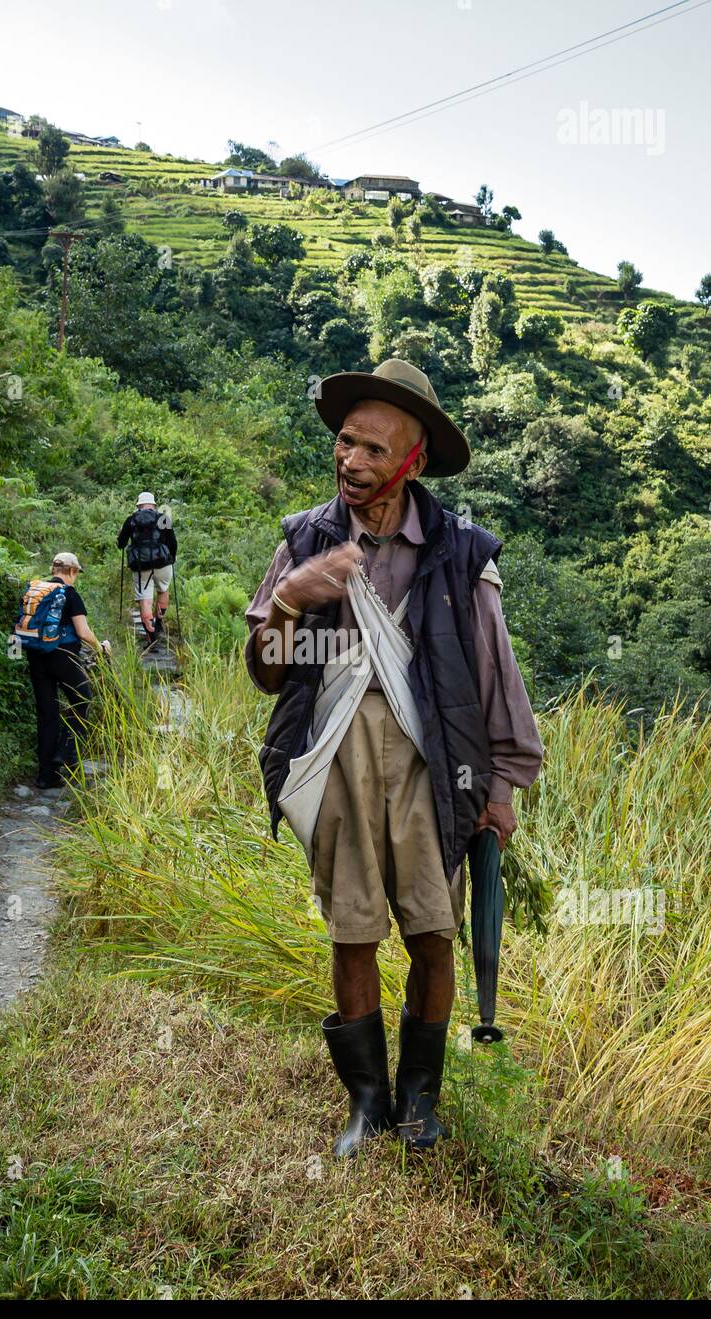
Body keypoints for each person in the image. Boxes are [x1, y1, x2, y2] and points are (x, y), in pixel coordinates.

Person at [244, 358, 543, 1157]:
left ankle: (421, 1102)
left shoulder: (457, 552)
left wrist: (503, 787)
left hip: (430, 761)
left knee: (433, 933)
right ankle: (368, 1105)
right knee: (350, 932)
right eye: (346, 442)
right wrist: (289, 596)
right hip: (334, 760)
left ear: (412, 461)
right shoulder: (306, 540)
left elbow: (492, 675)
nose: (354, 462)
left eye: (377, 450)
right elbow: (267, 670)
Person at [15, 552, 111, 789]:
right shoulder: (69, 594)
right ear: (71, 571)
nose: (76, 577)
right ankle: (66, 751)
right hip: (63, 656)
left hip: (36, 657)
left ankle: (46, 776)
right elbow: (83, 632)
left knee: (47, 715)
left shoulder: (35, 591)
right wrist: (100, 649)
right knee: (83, 700)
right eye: (76, 572)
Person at [116, 491, 177, 642]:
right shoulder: (163, 518)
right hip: (163, 563)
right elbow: (173, 542)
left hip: (140, 565)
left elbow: (121, 544)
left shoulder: (131, 520)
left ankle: (151, 638)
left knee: (145, 600)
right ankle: (159, 624)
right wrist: (172, 558)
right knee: (163, 591)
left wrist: (122, 536)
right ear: (154, 505)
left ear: (139, 505)